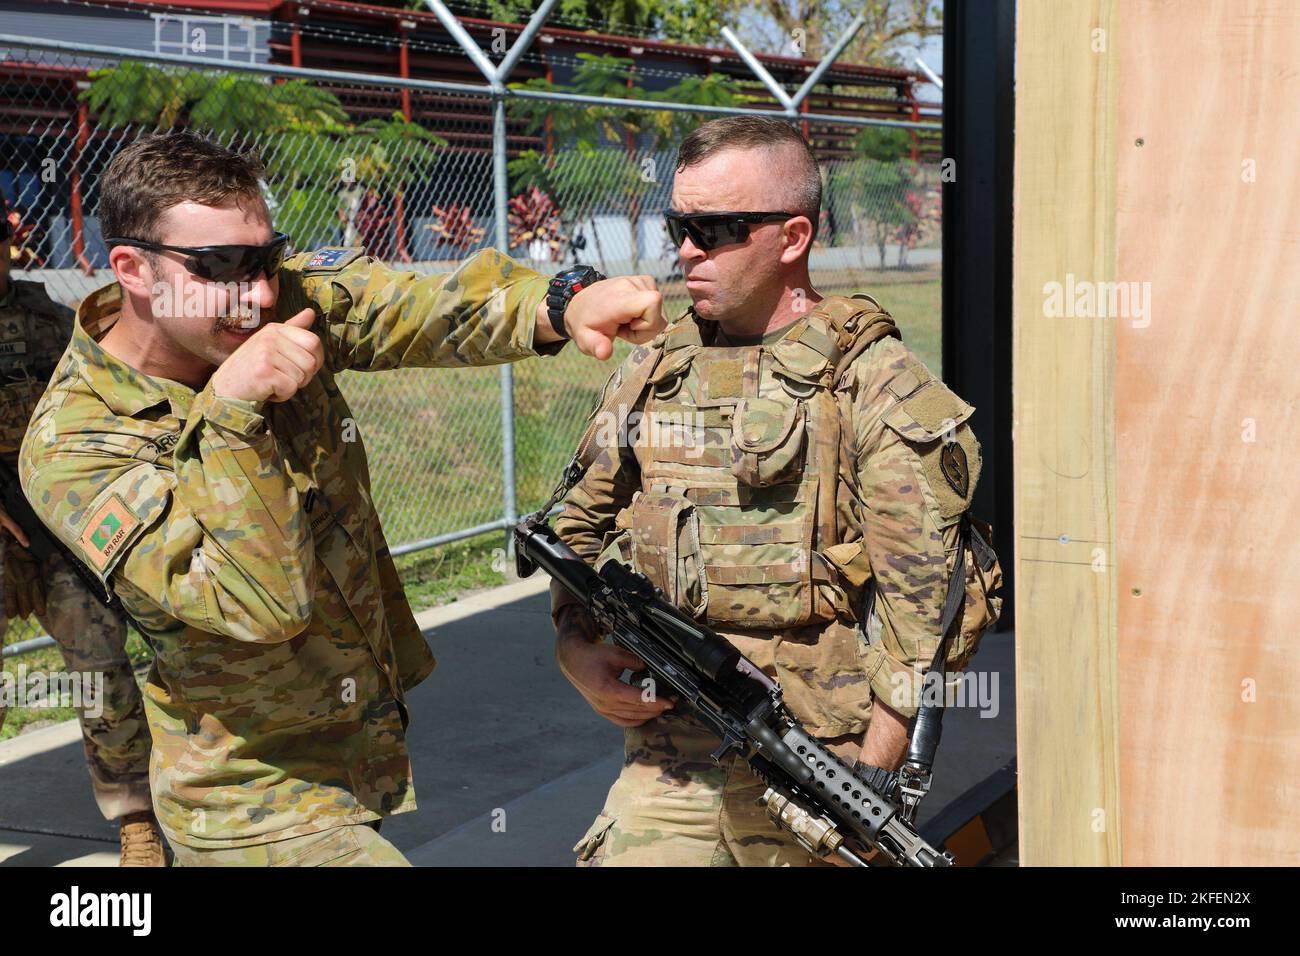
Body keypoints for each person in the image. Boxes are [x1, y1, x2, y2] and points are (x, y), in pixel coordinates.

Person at [19, 130, 664, 867]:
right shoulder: (77, 442)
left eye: (265, 257)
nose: (259, 292)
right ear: (132, 268)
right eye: (222, 266)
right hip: (252, 795)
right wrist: (231, 413)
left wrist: (560, 305)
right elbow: (256, 603)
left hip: (364, 741)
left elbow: (408, 305)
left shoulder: (265, 302)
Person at [550, 116, 1001, 866]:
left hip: (819, 756)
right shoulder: (656, 369)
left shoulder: (876, 383)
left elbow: (926, 613)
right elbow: (575, 527)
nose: (688, 249)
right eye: (679, 225)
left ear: (792, 238)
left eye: (716, 228)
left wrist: (869, 779)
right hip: (675, 746)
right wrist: (573, 648)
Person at [0, 207, 164, 866]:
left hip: (58, 523)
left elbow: (104, 407)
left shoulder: (52, 321)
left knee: (101, 670)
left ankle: (136, 821)